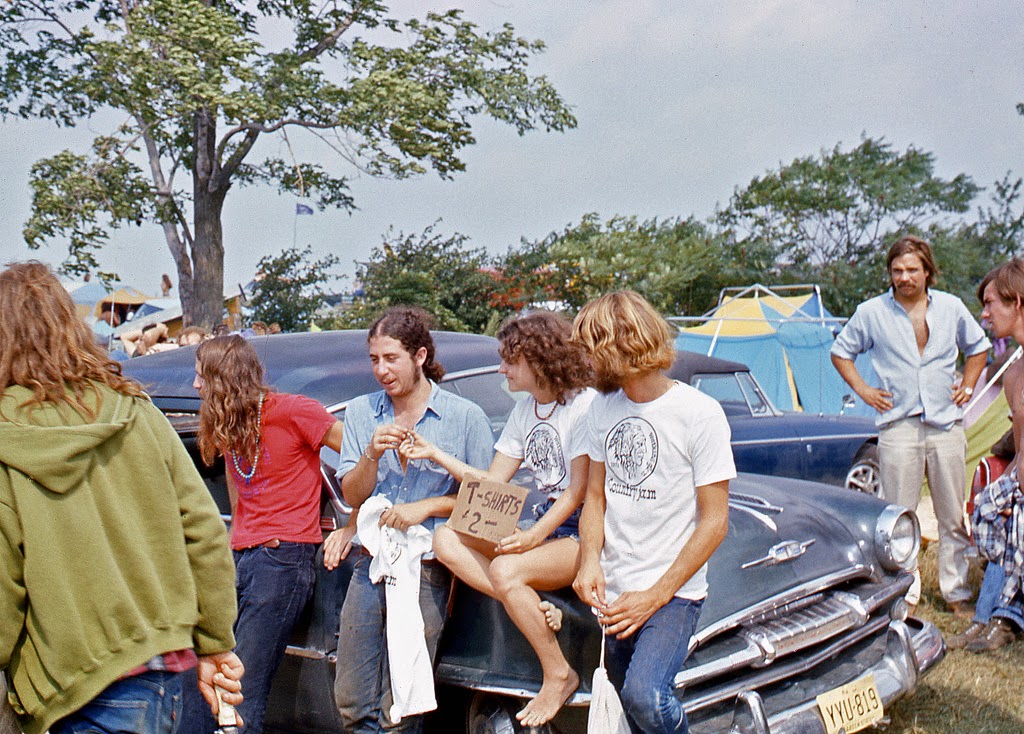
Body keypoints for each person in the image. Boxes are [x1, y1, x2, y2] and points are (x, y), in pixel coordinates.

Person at [0, 262, 242, 734]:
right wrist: (215, 644)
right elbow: (205, 532)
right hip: (167, 672)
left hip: (74, 686)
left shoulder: (8, 438)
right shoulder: (137, 411)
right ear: (71, 327)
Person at [403, 311, 595, 727]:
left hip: (585, 532)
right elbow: (492, 484)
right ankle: (531, 604)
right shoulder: (526, 411)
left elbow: (579, 491)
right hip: (547, 526)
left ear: (540, 361)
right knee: (447, 539)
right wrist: (435, 453)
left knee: (508, 567)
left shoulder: (583, 406)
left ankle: (559, 672)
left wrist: (531, 538)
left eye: (510, 360)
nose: (502, 368)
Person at [323, 307, 493, 733]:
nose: (381, 370)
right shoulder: (363, 413)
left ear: (419, 356)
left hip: (428, 567)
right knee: (352, 699)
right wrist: (371, 454)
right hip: (373, 561)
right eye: (374, 359)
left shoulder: (464, 416)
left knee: (403, 701)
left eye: (391, 358)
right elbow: (353, 495)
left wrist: (430, 506)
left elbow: (491, 504)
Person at [571, 291, 733, 734]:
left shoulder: (699, 413)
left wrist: (656, 595)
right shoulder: (601, 407)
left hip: (673, 592)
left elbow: (715, 521)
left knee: (647, 698)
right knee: (628, 706)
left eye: (589, 347)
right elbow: (596, 497)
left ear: (617, 345)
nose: (582, 359)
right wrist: (588, 560)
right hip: (616, 591)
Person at [180, 335, 347, 734]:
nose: (196, 386)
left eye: (202, 376)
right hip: (244, 557)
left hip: (284, 559)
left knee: (242, 688)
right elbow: (239, 501)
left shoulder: (293, 411)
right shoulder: (232, 423)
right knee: (199, 677)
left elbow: (357, 452)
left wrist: (355, 521)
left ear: (224, 378)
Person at [830, 235, 990, 616]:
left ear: (928, 271)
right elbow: (841, 352)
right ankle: (905, 591)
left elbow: (979, 346)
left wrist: (968, 383)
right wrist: (864, 390)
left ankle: (956, 592)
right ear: (889, 273)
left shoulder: (950, 307)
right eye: (897, 270)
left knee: (951, 513)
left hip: (945, 424)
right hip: (898, 424)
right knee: (898, 513)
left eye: (912, 270)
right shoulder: (872, 312)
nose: (904, 277)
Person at [950, 260, 1024, 651]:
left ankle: (1004, 619)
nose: (984, 313)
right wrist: (1005, 485)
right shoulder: (1014, 371)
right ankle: (986, 618)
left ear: (1018, 302)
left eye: (991, 302)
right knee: (996, 510)